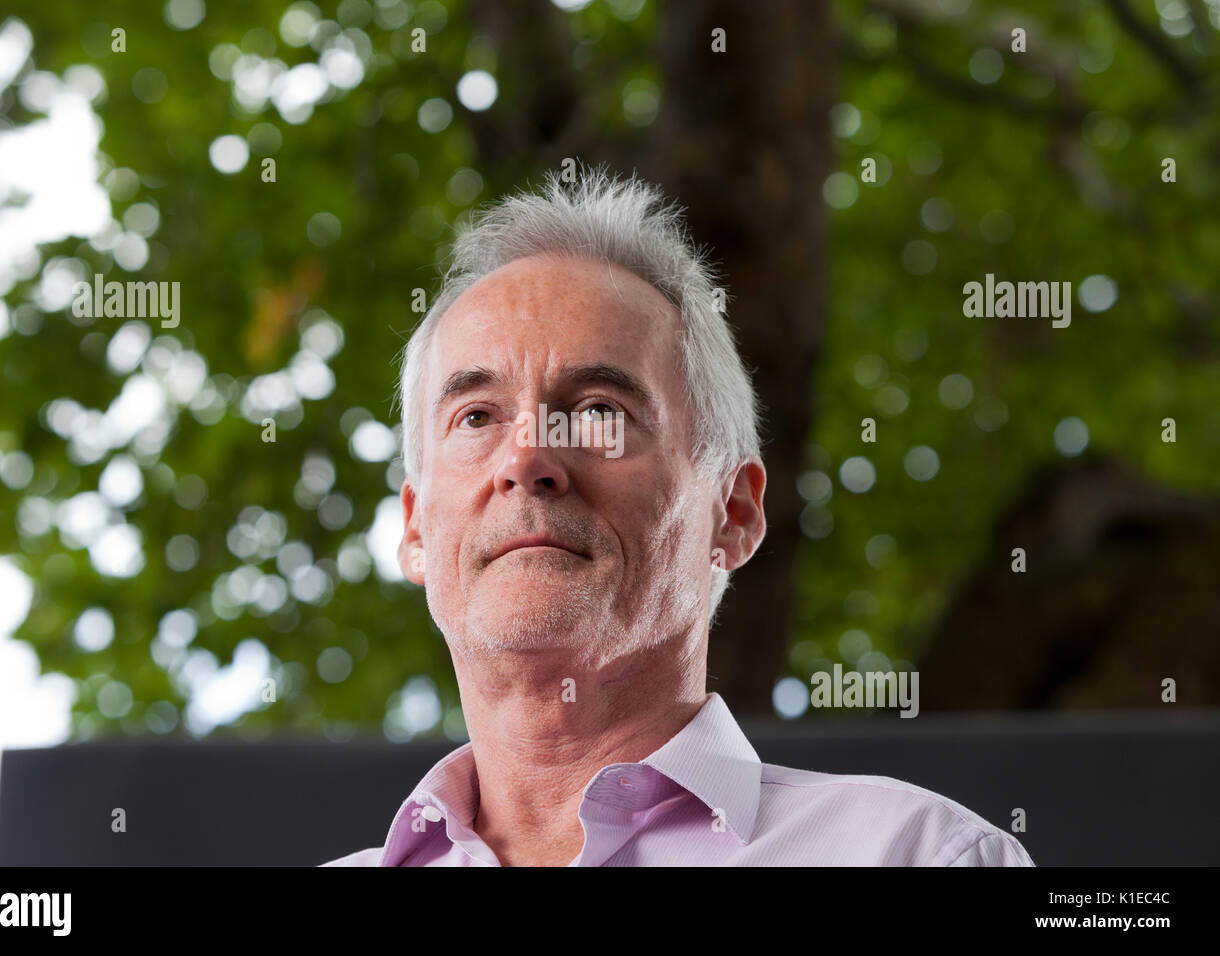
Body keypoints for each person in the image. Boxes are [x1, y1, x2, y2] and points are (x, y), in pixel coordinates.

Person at [323, 166, 1034, 867]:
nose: (529, 455)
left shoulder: (914, 855)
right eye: (476, 416)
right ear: (414, 530)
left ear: (734, 511)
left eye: (600, 411)